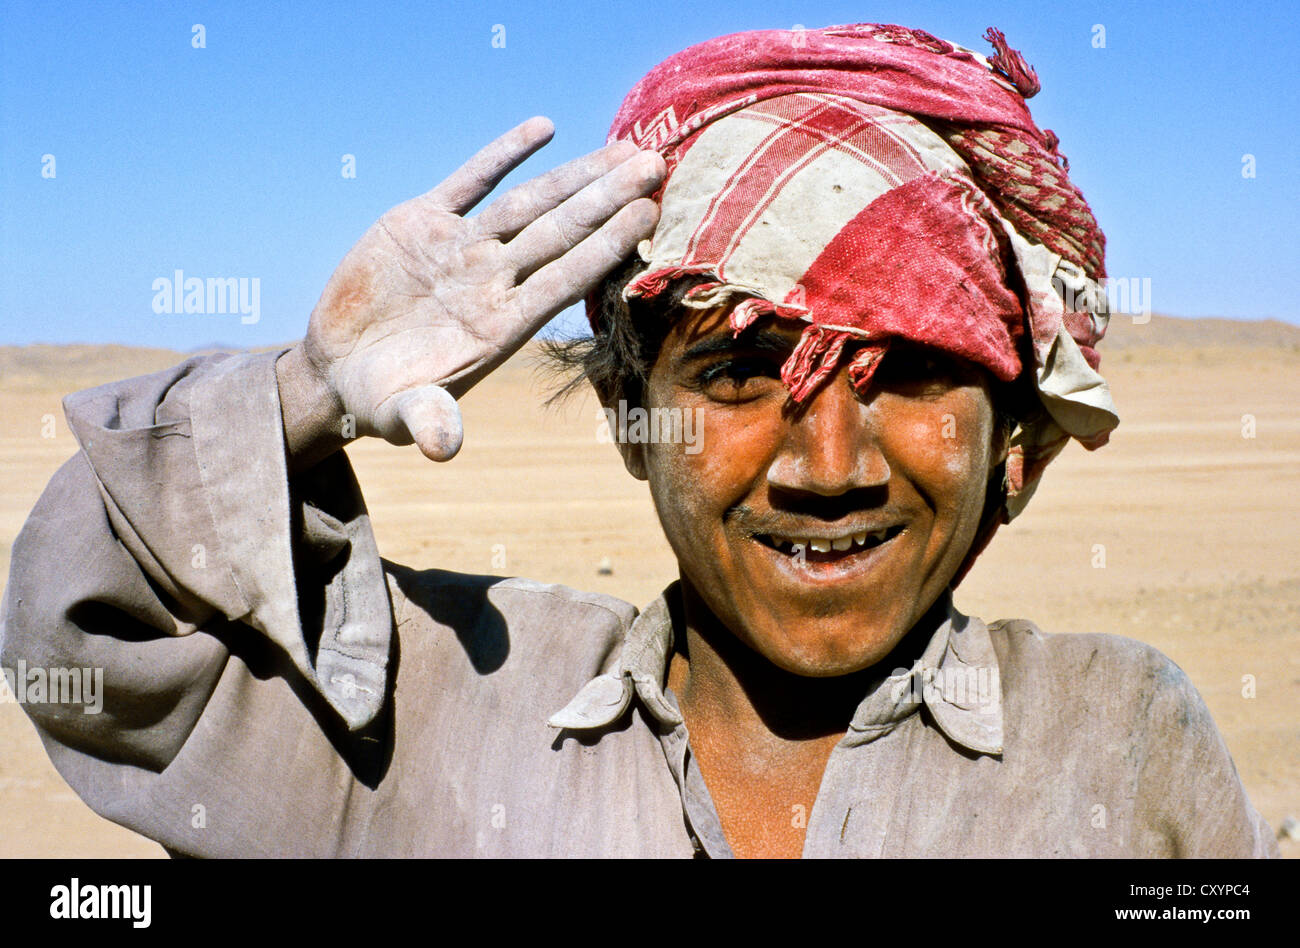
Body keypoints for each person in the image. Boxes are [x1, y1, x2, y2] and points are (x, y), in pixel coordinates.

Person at [0, 23, 1276, 858]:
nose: (826, 467)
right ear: (630, 419)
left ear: (1018, 447)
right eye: (735, 374)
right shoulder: (441, 708)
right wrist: (302, 394)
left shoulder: (1116, 734)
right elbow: (93, 648)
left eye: (907, 378)